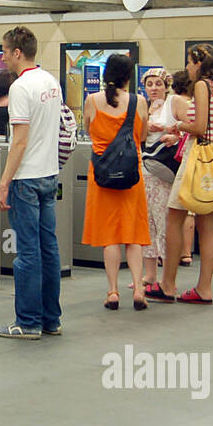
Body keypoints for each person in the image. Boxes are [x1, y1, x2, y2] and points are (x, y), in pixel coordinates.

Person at [0, 27, 63, 340]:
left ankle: (28, 321)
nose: (3, 57)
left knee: (28, 253)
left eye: (5, 51)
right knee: (49, 248)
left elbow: (19, 142)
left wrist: (3, 183)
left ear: (18, 52)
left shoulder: (21, 88)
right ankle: (51, 319)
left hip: (25, 180)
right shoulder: (51, 82)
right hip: (49, 175)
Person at [147, 44, 213, 305]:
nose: (187, 67)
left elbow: (200, 126)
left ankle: (167, 284)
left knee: (174, 216)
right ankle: (203, 287)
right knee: (206, 224)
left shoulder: (203, 86)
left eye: (190, 62)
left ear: (199, 63)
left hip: (199, 157)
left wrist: (179, 125)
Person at [82, 54, 150, 310]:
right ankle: (139, 289)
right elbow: (142, 136)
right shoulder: (139, 101)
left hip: (102, 175)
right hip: (133, 175)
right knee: (133, 235)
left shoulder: (92, 101)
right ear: (128, 77)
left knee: (110, 236)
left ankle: (112, 291)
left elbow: (88, 130)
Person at [138, 67, 178, 292]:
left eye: (158, 84)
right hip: (146, 170)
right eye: (150, 84)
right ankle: (149, 273)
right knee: (147, 223)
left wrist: (172, 134)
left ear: (166, 86)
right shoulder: (143, 106)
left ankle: (167, 276)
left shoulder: (174, 104)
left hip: (164, 171)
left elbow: (188, 130)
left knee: (164, 222)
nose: (154, 88)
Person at [169, 70, 197, 268]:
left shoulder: (177, 102)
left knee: (177, 208)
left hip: (182, 158)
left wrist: (175, 127)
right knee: (190, 210)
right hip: (194, 159)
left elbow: (193, 126)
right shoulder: (196, 103)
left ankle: (174, 255)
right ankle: (186, 251)